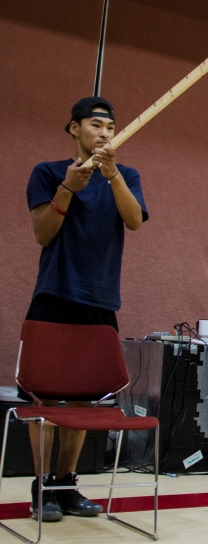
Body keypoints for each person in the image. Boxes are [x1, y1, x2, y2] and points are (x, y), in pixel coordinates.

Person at [24, 97, 148, 522]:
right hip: (54, 295)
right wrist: (68, 188)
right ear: (74, 129)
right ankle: (42, 488)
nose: (105, 133)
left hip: (99, 300)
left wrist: (112, 176)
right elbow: (43, 233)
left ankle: (66, 482)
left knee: (84, 401)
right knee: (47, 398)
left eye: (110, 127)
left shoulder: (125, 176)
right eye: (96, 125)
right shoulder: (47, 172)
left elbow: (134, 221)